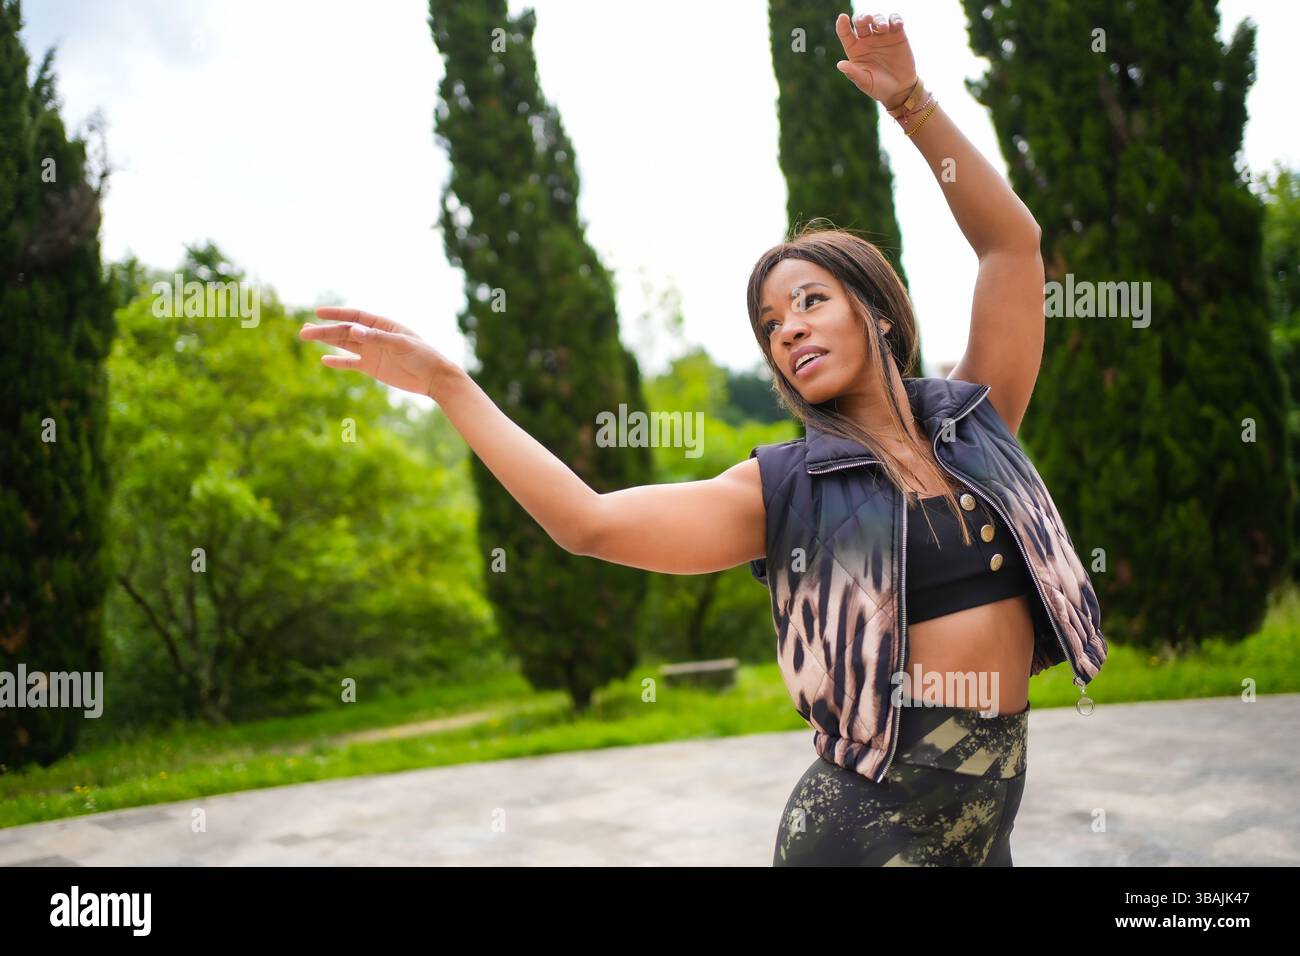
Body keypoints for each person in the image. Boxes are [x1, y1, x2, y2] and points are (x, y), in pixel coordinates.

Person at [298, 10, 1106, 867]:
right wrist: (449, 387)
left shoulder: (976, 422)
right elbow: (589, 523)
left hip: (987, 833)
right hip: (860, 838)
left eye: (809, 301)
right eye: (770, 324)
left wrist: (910, 102)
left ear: (874, 309)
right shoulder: (786, 489)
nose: (788, 329)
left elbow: (1011, 246)